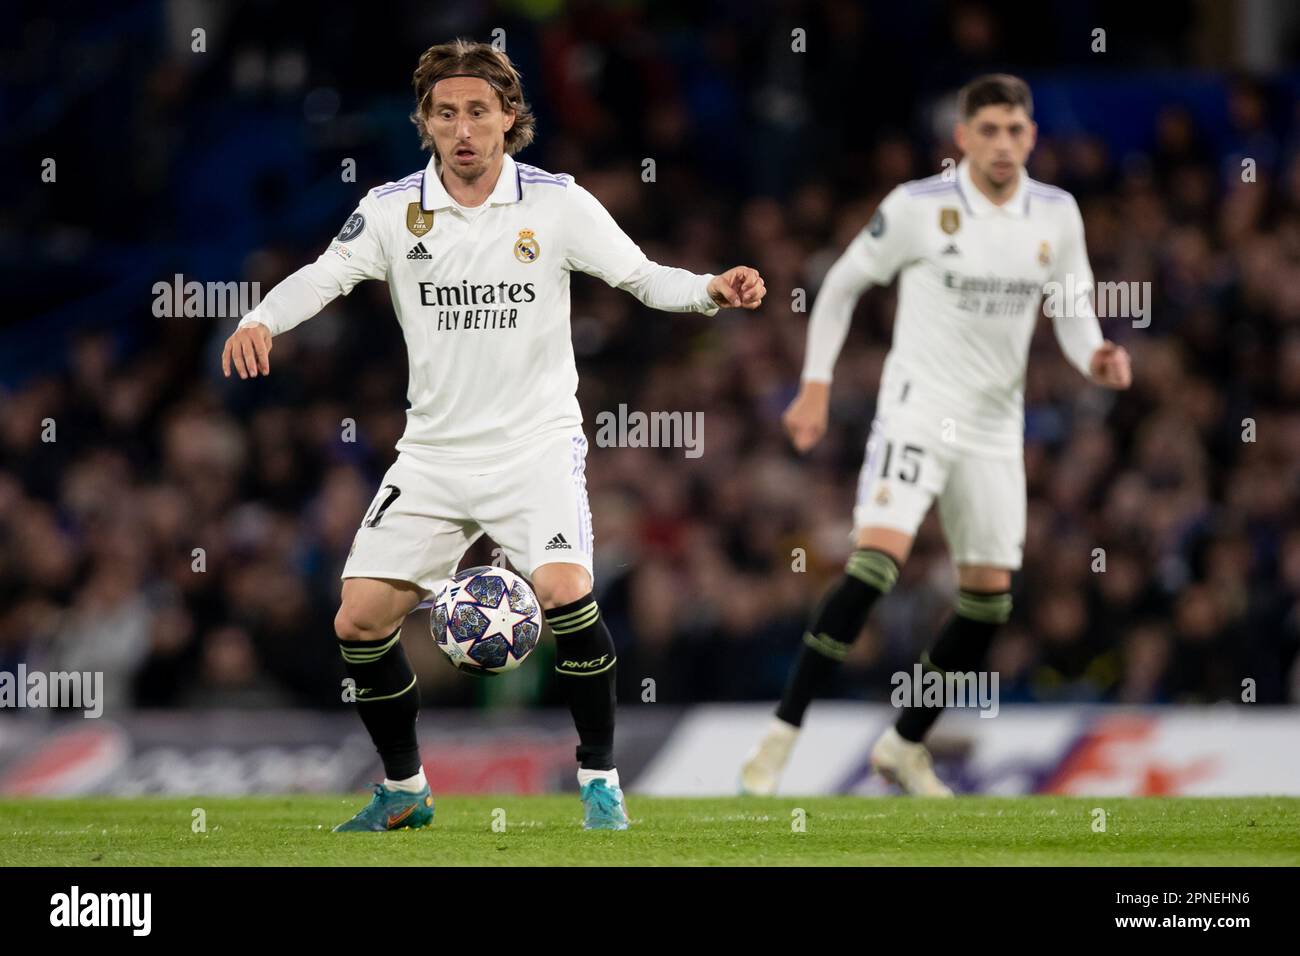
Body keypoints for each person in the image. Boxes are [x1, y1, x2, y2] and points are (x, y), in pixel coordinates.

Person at [223, 38, 766, 830]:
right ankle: (406, 793)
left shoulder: (555, 202)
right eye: (446, 114)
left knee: (566, 592)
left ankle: (600, 782)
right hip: (434, 454)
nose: (463, 128)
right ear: (427, 124)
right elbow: (323, 274)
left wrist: (710, 291)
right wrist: (263, 317)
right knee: (359, 621)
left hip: (534, 445)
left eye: (479, 110)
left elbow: (644, 277)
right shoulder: (389, 209)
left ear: (510, 118)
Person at [741, 74, 1130, 796]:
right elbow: (843, 284)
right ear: (962, 137)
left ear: (1032, 136)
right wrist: (817, 385)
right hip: (918, 406)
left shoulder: (1057, 214)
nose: (1004, 144)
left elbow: (1074, 314)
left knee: (990, 601)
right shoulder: (919, 209)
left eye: (1016, 130)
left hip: (992, 425)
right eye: (989, 130)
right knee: (874, 565)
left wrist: (1096, 356)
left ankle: (902, 744)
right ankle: (780, 735)